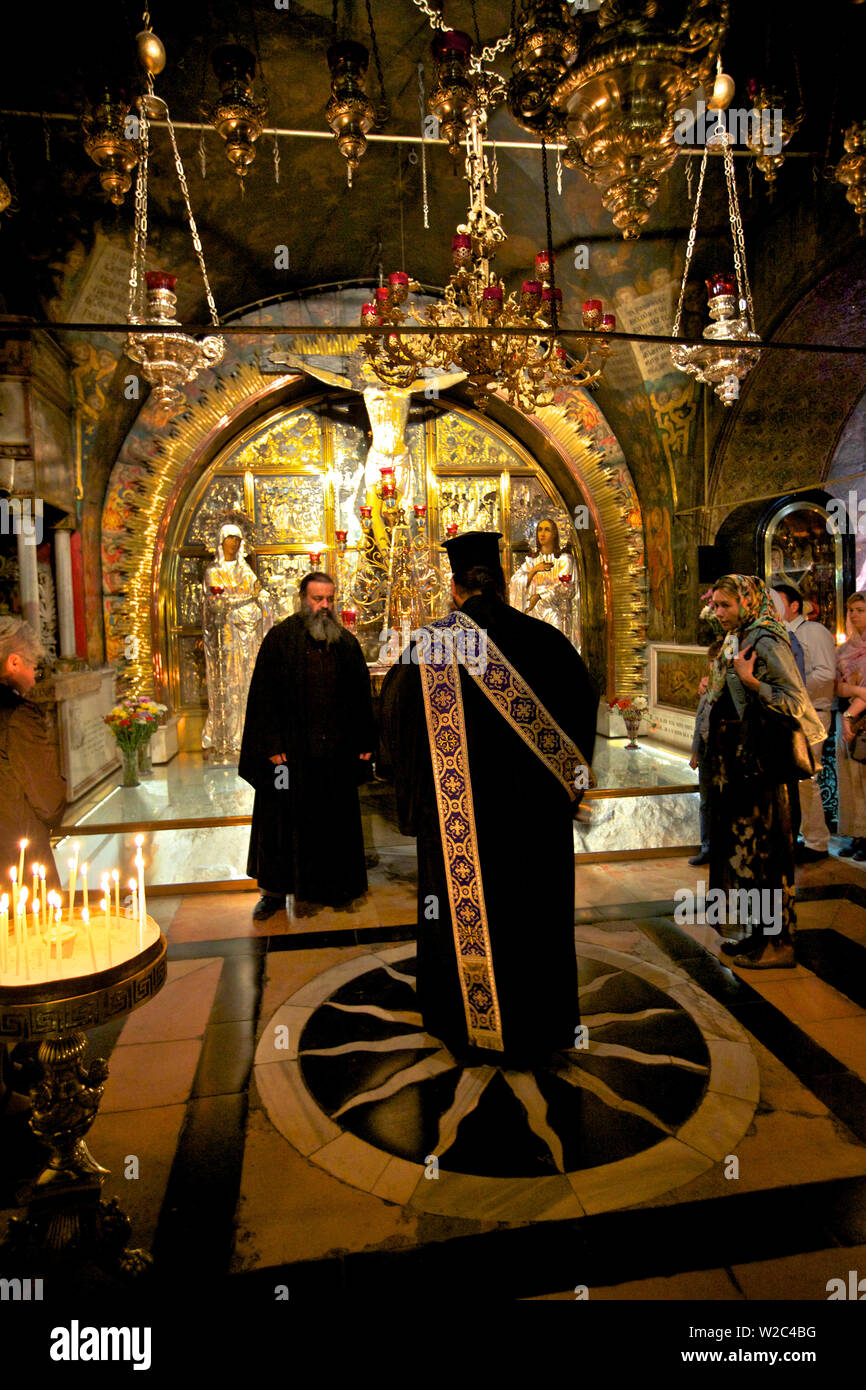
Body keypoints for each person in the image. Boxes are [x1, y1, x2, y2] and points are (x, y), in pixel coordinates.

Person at [381, 531, 597, 1066]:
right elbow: (582, 716)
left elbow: (394, 728)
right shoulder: (550, 642)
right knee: (534, 915)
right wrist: (566, 794)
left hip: (461, 829)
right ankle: (540, 1019)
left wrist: (417, 805)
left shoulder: (430, 646)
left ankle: (467, 1019)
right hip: (535, 826)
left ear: (455, 589)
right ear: (503, 584)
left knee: (462, 919)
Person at [705, 575, 825, 970]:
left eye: (725, 605)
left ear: (748, 601)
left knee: (770, 855)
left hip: (766, 768)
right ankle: (758, 934)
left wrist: (752, 682)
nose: (718, 613)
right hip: (742, 767)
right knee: (749, 856)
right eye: (716, 605)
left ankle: (780, 942)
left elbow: (794, 701)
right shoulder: (740, 637)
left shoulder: (767, 639)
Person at [238, 571, 374, 919]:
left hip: (335, 754)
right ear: (303, 599)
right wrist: (271, 744)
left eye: (330, 599)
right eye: (318, 599)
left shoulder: (345, 643)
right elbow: (263, 697)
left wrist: (364, 743)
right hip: (290, 754)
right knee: (280, 822)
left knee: (334, 823)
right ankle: (273, 893)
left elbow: (361, 698)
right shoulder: (280, 639)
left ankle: (337, 888)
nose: (325, 606)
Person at [773, 582, 835, 862]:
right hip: (789, 713)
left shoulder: (813, 632)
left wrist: (792, 688)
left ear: (794, 605)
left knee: (807, 779)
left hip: (812, 713)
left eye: (779, 601)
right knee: (792, 780)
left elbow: (825, 673)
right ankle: (797, 835)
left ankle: (817, 842)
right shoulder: (780, 633)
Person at [202, 523, 272, 762]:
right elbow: (216, 602)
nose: (233, 542)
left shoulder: (245, 570)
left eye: (237, 539)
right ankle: (227, 737)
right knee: (230, 684)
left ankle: (249, 735)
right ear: (221, 543)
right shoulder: (213, 570)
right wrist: (245, 599)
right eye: (229, 538)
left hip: (248, 636)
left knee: (249, 682)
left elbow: (259, 594)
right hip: (226, 637)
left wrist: (260, 597)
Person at [508, 518, 579, 648]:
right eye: (539, 529)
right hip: (533, 613)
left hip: (555, 611)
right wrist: (534, 570)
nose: (542, 533)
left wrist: (540, 596)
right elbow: (515, 582)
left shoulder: (564, 560)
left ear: (555, 534)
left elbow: (566, 588)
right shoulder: (531, 561)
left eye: (547, 530)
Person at [835, 591, 866, 861]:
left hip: (860, 719)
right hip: (847, 716)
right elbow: (838, 687)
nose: (855, 615)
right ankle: (857, 833)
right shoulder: (845, 649)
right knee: (850, 779)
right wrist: (856, 690)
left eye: (861, 610)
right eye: (852, 610)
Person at [688, 638, 722, 867]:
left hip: (724, 751)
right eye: (710, 663)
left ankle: (723, 847)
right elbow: (700, 720)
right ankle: (708, 846)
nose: (712, 667)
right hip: (708, 751)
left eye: (716, 663)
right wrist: (695, 752)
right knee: (706, 802)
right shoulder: (708, 686)